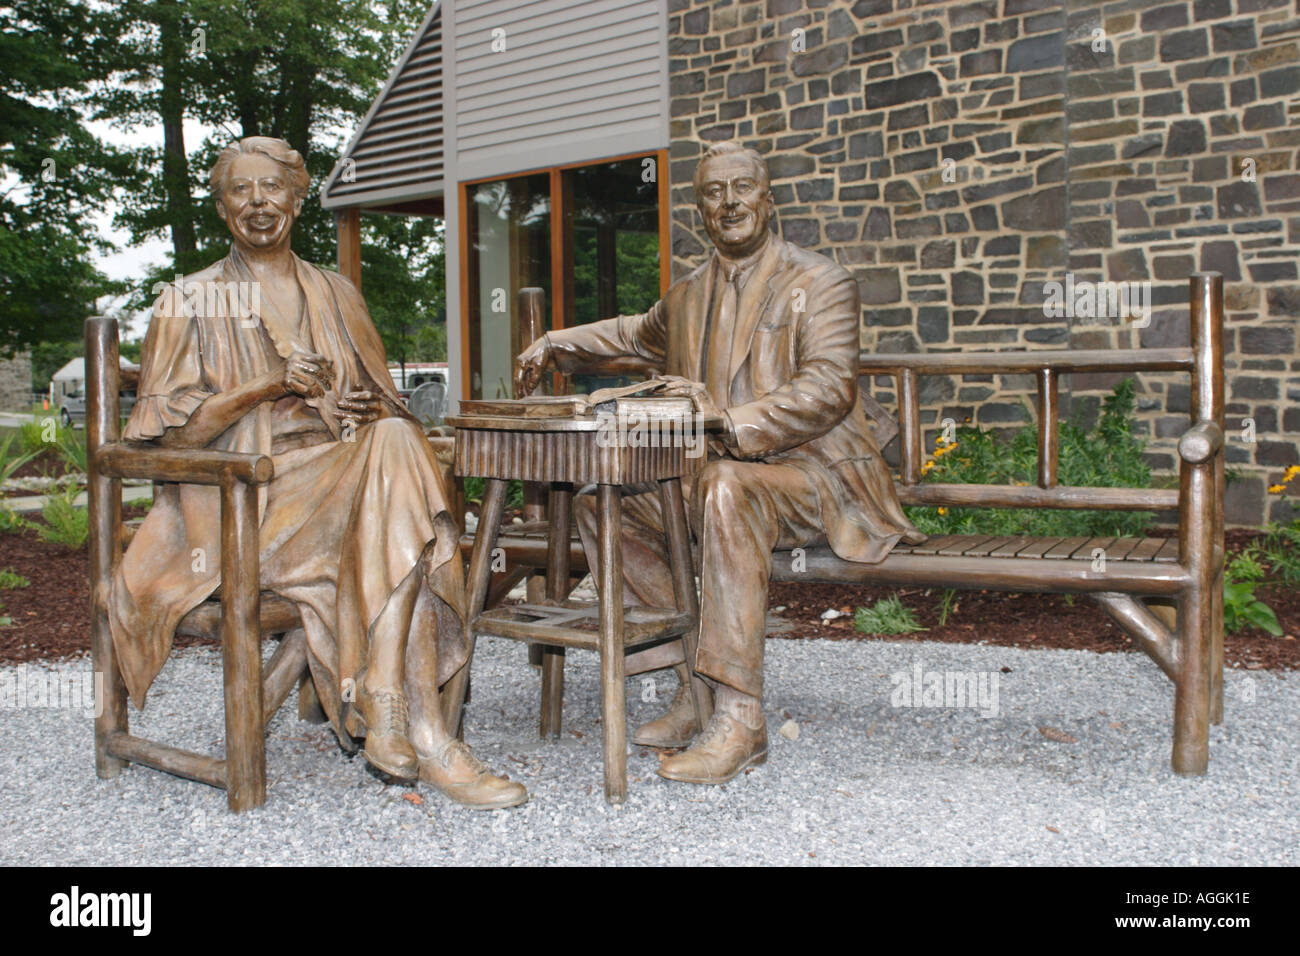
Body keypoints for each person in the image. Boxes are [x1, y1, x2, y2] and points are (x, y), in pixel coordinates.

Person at [111, 136, 524, 809]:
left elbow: (391, 415)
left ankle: (399, 710)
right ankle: (429, 733)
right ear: (221, 209)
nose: (257, 203)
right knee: (406, 510)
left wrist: (354, 414)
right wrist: (266, 386)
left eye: (271, 188)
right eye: (239, 191)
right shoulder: (187, 299)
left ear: (297, 200)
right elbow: (170, 438)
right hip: (241, 508)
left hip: (346, 495)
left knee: (392, 451)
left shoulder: (337, 294)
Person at [516, 141, 924, 785]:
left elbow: (827, 389)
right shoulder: (687, 295)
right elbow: (628, 334)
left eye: (742, 188)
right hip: (715, 478)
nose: (729, 202)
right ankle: (692, 684)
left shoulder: (819, 283)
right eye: (713, 192)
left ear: (767, 199)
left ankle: (742, 719)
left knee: (727, 487)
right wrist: (555, 341)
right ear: (698, 210)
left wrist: (728, 423)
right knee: (604, 500)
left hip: (817, 477)